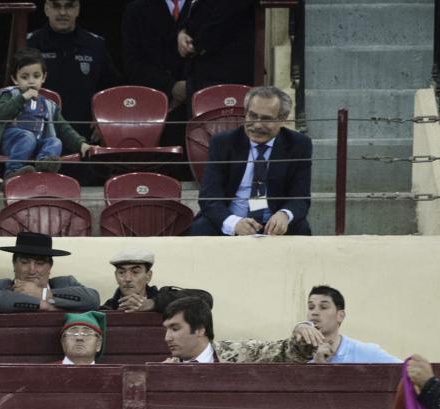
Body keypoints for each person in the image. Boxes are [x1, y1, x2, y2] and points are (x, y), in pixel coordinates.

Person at [193, 84, 312, 236]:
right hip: (233, 219)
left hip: (272, 224)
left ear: (282, 119)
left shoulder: (299, 144)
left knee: (301, 229)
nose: (256, 125)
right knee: (201, 227)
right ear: (246, 113)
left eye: (266, 119)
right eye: (253, 116)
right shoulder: (223, 143)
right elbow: (209, 198)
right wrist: (234, 223)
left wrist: (284, 214)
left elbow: (300, 197)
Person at [0, 47, 84, 177]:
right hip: (10, 144)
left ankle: (43, 167)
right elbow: (0, 114)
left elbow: (64, 128)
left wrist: (80, 143)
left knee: (55, 141)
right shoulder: (10, 94)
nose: (31, 81)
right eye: (24, 77)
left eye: (36, 76)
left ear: (43, 77)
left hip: (37, 144)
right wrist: (23, 98)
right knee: (27, 137)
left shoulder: (49, 104)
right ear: (15, 79)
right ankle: (12, 172)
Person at [26, 0, 118, 139]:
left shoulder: (95, 45)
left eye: (69, 6)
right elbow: (12, 89)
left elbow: (112, 88)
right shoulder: (30, 44)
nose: (63, 12)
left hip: (85, 137)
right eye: (56, 6)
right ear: (46, 9)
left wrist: (104, 119)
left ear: (77, 9)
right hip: (39, 137)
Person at [159, 295, 313, 364]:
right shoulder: (168, 368)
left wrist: (302, 329)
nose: (167, 338)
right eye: (167, 330)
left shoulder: (240, 353)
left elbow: (287, 352)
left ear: (200, 329)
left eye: (175, 328)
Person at [0, 231, 99, 313]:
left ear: (50, 267)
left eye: (40, 263)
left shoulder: (66, 283)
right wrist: (43, 305)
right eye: (24, 262)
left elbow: (93, 299)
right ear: (14, 264)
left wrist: (43, 294)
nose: (32, 270)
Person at [298, 285, 401, 364]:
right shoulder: (298, 355)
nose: (314, 312)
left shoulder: (365, 352)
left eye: (323, 307)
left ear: (340, 316)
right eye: (311, 307)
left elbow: (404, 373)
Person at [121, 0, 188, 119]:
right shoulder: (136, 9)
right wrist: (170, 86)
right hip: (150, 108)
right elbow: (131, 63)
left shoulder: (208, 7)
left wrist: (192, 86)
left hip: (199, 107)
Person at [100, 246, 204, 316]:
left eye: (135, 272)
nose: (127, 279)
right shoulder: (107, 308)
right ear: (115, 276)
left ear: (148, 276)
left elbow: (204, 299)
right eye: (121, 273)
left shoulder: (163, 297)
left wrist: (152, 304)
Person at [179, 0, 254, 96]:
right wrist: (182, 31)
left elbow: (224, 18)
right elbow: (192, 9)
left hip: (226, 72)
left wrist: (194, 45)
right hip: (199, 71)